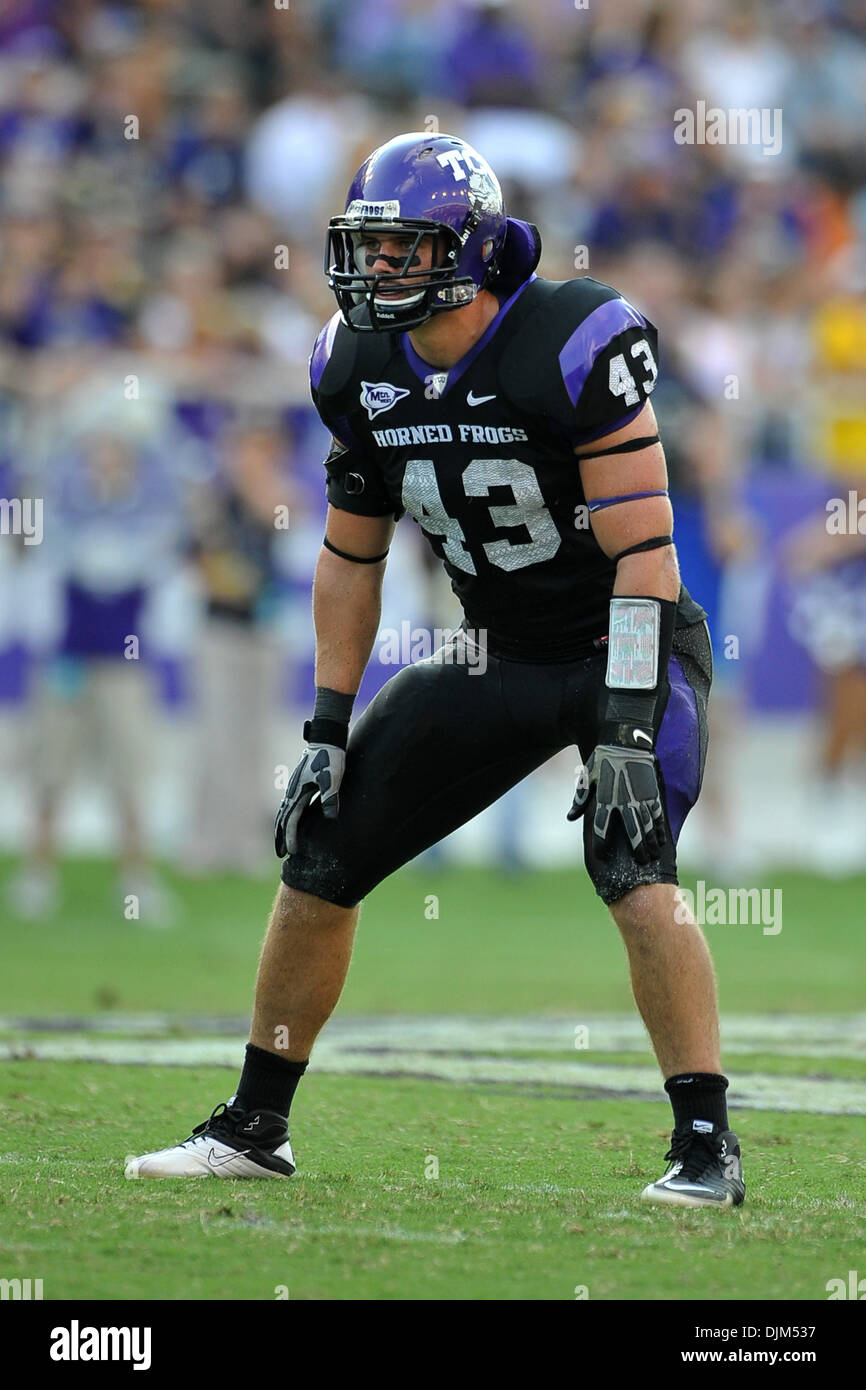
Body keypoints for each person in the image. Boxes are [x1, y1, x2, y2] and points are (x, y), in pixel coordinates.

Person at [126, 132, 744, 1208]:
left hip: (622, 645)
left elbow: (645, 553)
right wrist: (325, 726)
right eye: (367, 249)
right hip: (493, 652)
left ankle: (703, 1146)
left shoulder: (567, 336)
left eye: (402, 249)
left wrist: (631, 731)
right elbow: (348, 555)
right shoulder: (355, 366)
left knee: (631, 857)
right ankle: (254, 1123)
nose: (376, 272)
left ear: (468, 248)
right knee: (322, 844)